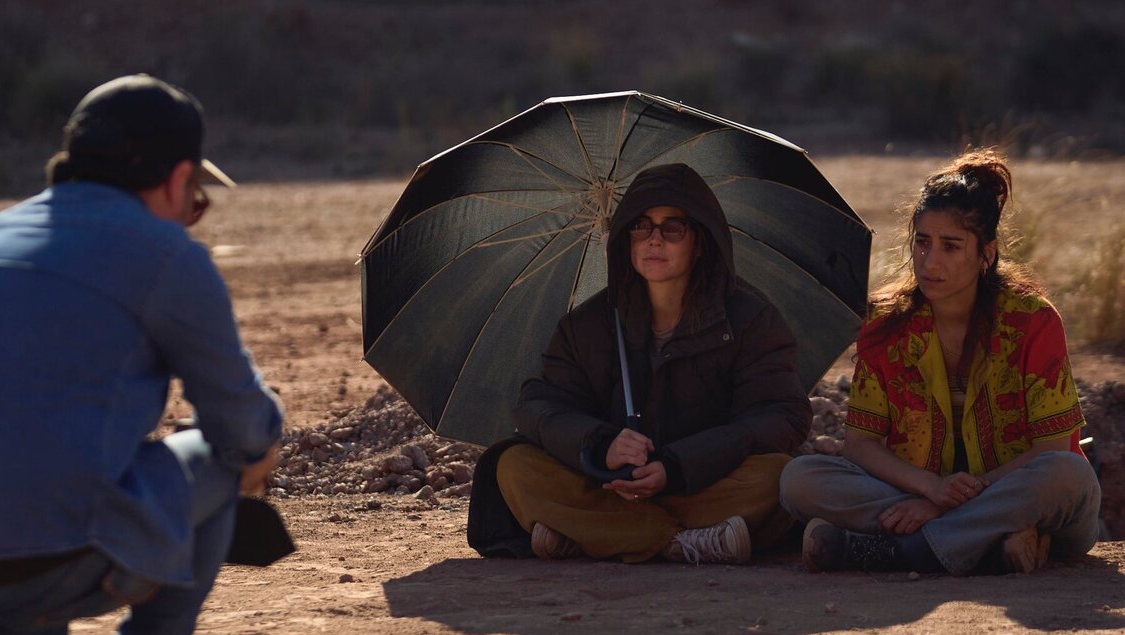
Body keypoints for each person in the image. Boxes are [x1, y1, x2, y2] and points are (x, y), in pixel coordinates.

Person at [0, 75, 285, 635]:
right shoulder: (167, 256)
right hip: (37, 559)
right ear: (177, 180)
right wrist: (263, 446)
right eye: (195, 200)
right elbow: (243, 427)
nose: (190, 215)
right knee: (221, 460)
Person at [467, 163, 811, 564]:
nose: (654, 240)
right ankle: (682, 543)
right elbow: (539, 405)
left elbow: (780, 416)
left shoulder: (750, 320)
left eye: (672, 228)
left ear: (700, 241)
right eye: (641, 226)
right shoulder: (588, 325)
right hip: (609, 486)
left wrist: (678, 465)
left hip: (702, 483)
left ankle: (595, 536)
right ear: (625, 240)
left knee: (778, 477)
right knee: (513, 466)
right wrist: (599, 445)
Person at [779, 149, 1100, 575]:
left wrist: (944, 503)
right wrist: (930, 489)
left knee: (1067, 474)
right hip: (926, 493)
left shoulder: (1031, 321)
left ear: (986, 253)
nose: (930, 262)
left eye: (951, 246)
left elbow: (1053, 449)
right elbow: (861, 446)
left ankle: (905, 552)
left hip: (1019, 493)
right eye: (922, 242)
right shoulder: (885, 326)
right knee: (799, 480)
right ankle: (991, 549)